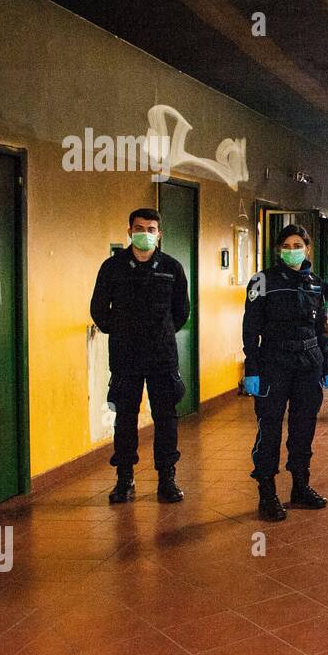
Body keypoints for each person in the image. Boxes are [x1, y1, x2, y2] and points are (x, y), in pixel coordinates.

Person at [90, 208, 190, 505]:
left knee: (166, 418)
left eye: (150, 228)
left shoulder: (172, 268)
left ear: (159, 233)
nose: (144, 233)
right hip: (125, 356)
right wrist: (120, 330)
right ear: (129, 231)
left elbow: (181, 312)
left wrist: (161, 331)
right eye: (139, 227)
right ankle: (124, 479)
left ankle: (167, 478)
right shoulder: (112, 267)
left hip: (162, 357)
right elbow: (98, 309)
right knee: (125, 418)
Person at [242, 224, 328, 522]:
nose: (293, 251)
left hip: (308, 364)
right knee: (269, 428)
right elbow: (250, 328)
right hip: (273, 363)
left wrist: (326, 365)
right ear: (278, 250)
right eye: (287, 246)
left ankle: (300, 485)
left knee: (303, 427)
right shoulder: (261, 281)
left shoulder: (315, 283)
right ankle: (267, 491)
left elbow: (320, 327)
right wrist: (252, 367)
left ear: (307, 249)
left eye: (298, 245)